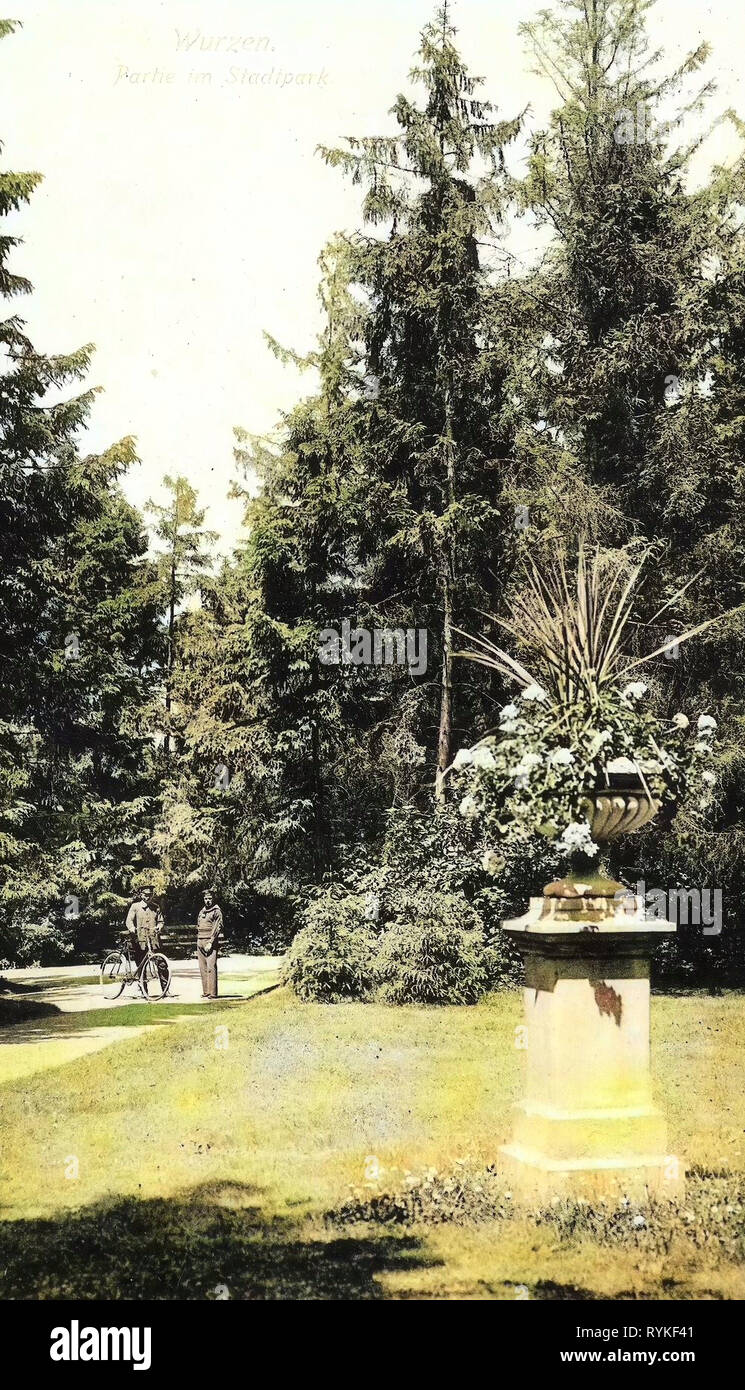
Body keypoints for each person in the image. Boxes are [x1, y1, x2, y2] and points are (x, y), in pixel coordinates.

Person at [125, 885, 163, 969]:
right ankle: (142, 981)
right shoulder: (135, 906)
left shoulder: (156, 907)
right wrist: (132, 928)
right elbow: (129, 920)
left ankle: (165, 982)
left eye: (150, 895)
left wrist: (159, 927)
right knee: (141, 963)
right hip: (140, 940)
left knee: (162, 964)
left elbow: (160, 921)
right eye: (146, 895)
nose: (148, 897)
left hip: (154, 940)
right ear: (141, 895)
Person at [196, 890, 223, 1000]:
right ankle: (206, 991)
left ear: (213, 899)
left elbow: (217, 927)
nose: (207, 901)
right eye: (206, 899)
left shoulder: (216, 911)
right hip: (200, 941)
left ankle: (213, 993)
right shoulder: (202, 911)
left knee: (211, 967)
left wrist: (211, 942)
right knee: (203, 967)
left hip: (209, 942)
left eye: (210, 899)